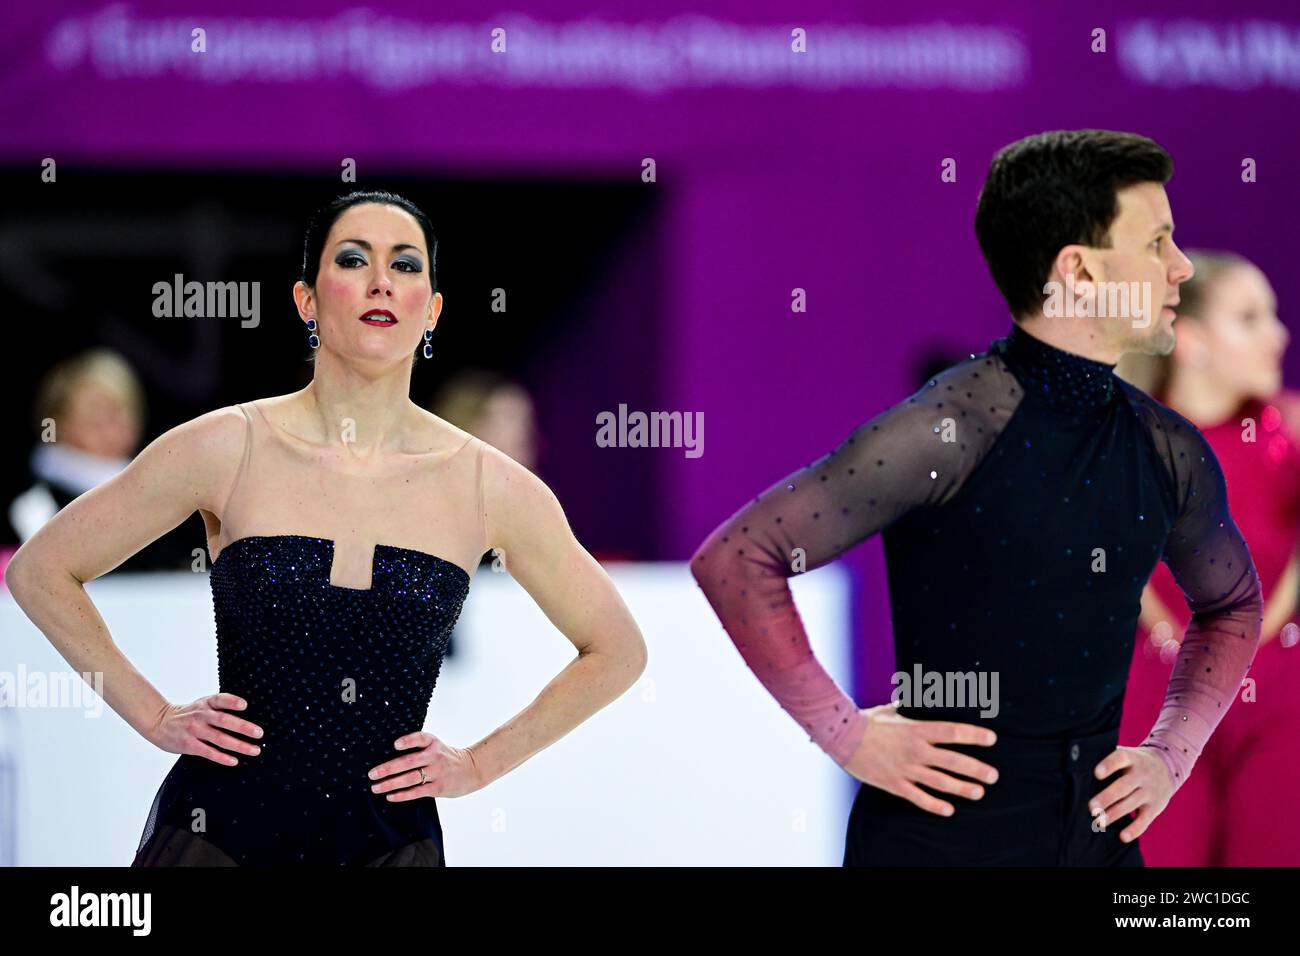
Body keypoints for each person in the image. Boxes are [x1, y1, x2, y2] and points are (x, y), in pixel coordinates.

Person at [5, 189, 647, 866]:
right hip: (219, 833)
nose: (380, 281)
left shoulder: (488, 485)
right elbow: (40, 570)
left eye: (405, 266)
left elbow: (617, 650)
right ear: (307, 301)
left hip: (386, 843)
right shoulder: (228, 445)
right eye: (353, 258)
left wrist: (480, 764)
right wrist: (153, 714)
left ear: (431, 310)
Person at [689, 129, 1263, 866]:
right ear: (1080, 271)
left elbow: (1233, 605)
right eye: (1157, 243)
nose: (1181, 267)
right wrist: (845, 734)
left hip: (1100, 845)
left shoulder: (1167, 447)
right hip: (940, 840)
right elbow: (739, 557)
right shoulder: (949, 429)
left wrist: (1170, 755)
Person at [1116, 251, 1300, 865]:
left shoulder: (1289, 434)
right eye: (1250, 318)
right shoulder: (1127, 440)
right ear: (1190, 341)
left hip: (1279, 692)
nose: (1279, 335)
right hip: (1158, 692)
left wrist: (1262, 632)